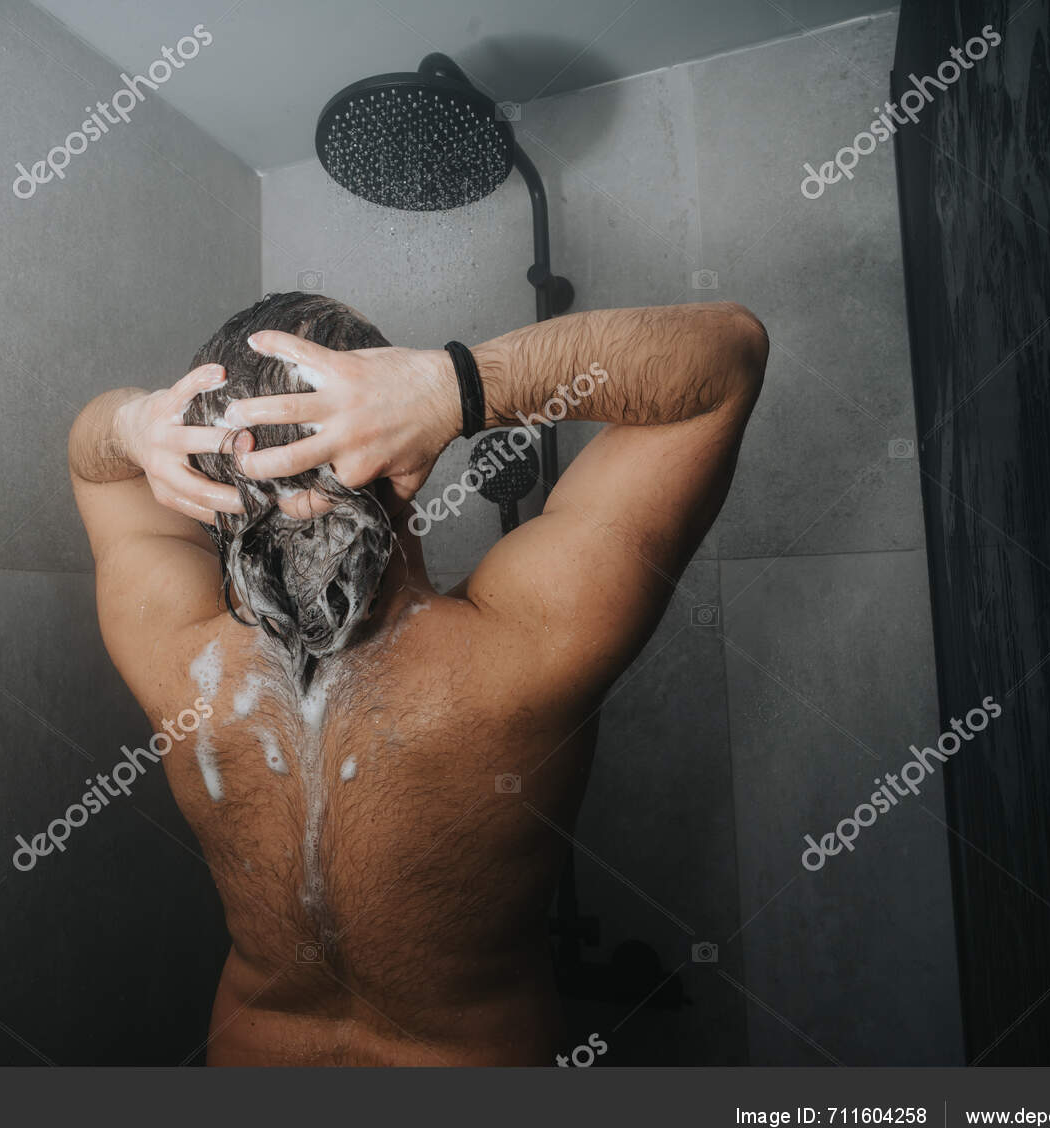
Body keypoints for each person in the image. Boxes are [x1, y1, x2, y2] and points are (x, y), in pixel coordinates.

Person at [68, 292, 767, 1064]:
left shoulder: (174, 653)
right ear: (395, 442)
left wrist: (133, 424)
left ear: (205, 466)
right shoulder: (525, 646)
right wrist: (454, 387)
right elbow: (727, 355)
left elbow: (93, 466)